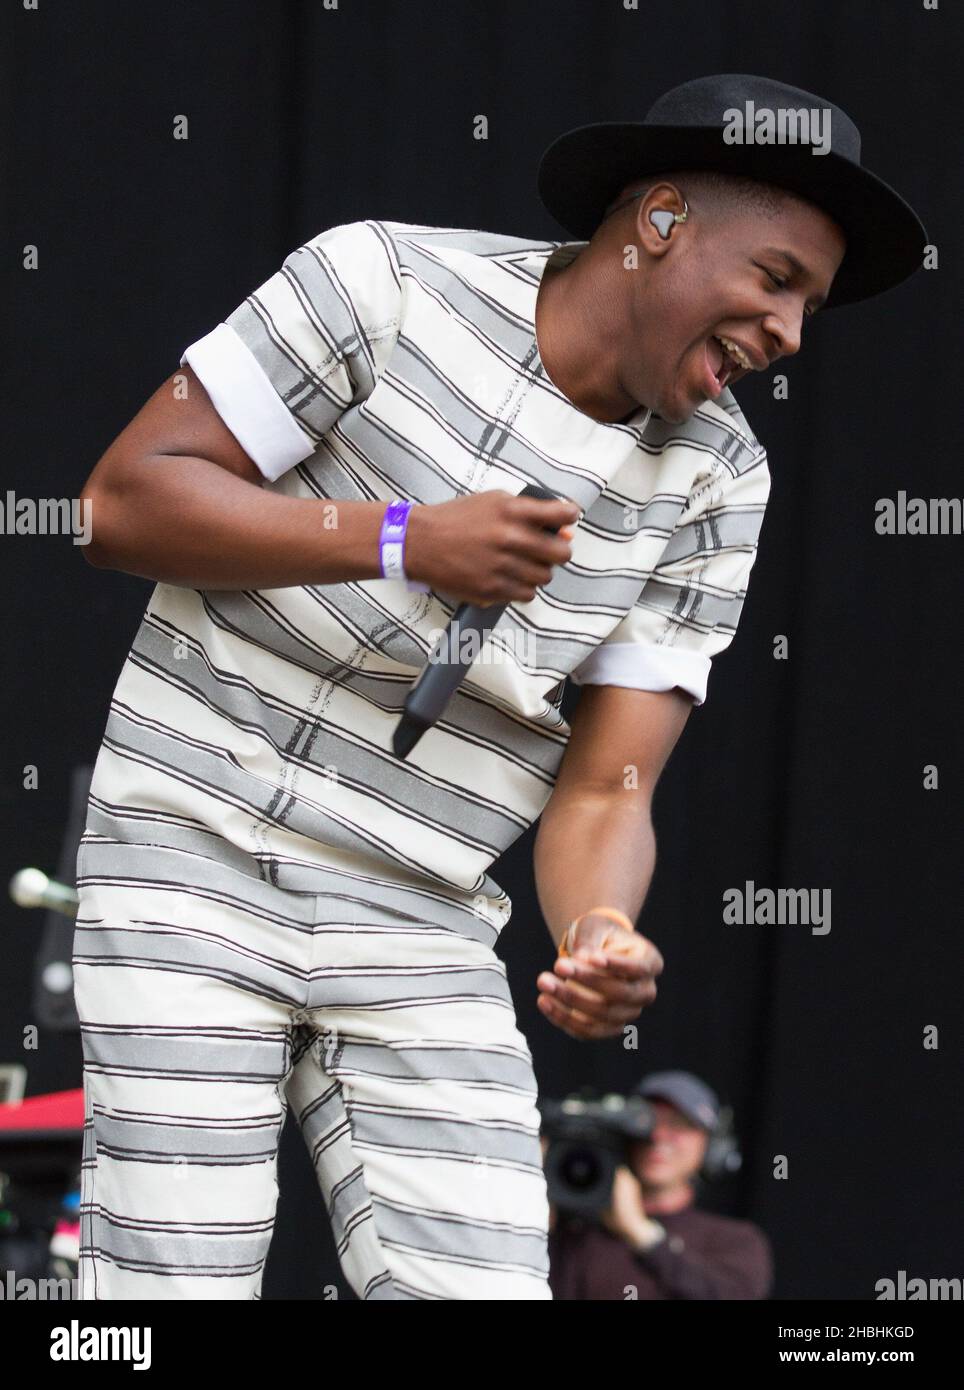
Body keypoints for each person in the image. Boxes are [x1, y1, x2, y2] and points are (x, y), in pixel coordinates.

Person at [72, 73, 926, 1299]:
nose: (790, 334)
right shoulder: (381, 284)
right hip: (190, 851)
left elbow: (605, 792)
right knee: (169, 1287)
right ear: (662, 219)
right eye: (776, 278)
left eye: (810, 309)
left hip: (419, 915)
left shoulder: (718, 481)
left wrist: (598, 930)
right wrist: (396, 537)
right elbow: (119, 502)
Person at [548, 1071, 772, 1299]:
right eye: (646, 1122)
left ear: (712, 1146)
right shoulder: (578, 1234)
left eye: (678, 1125)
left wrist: (641, 1234)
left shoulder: (734, 1241)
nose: (659, 1136)